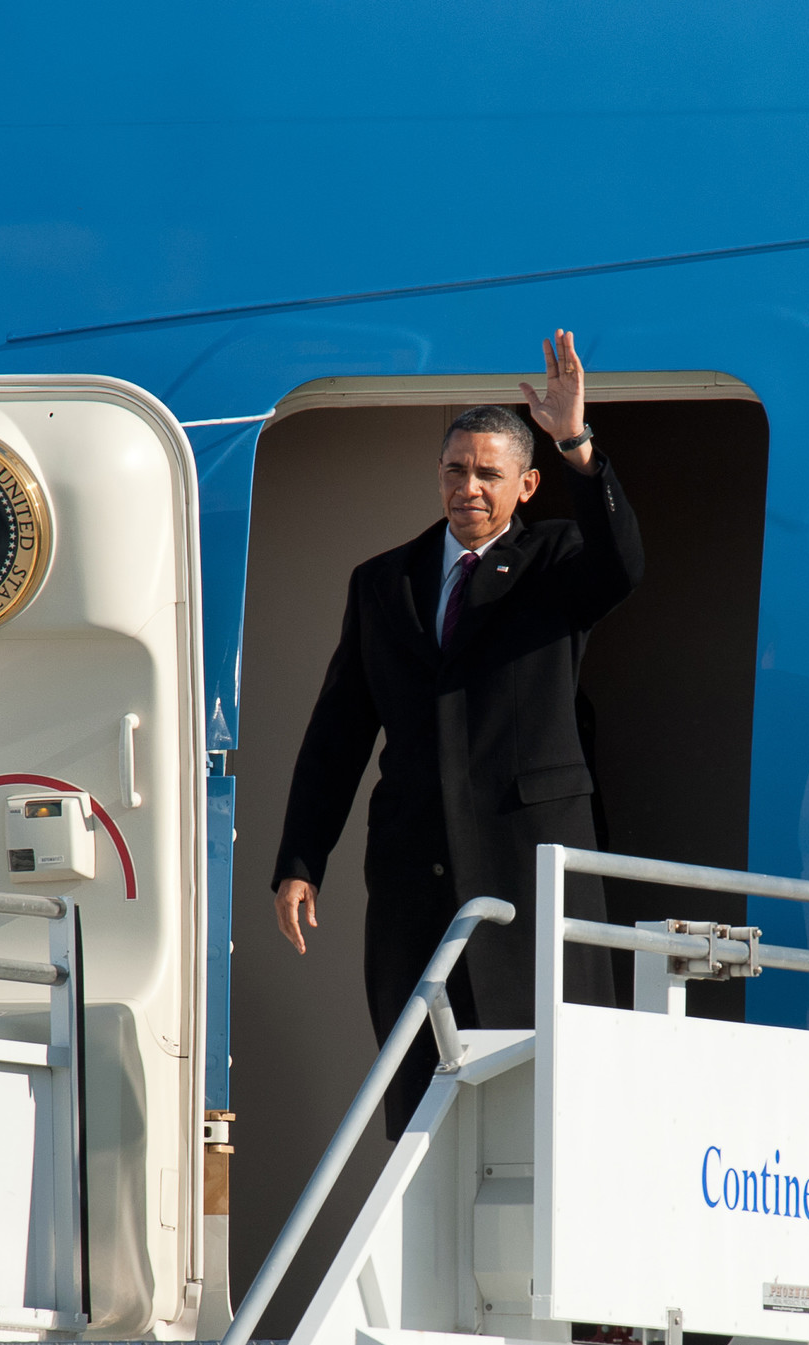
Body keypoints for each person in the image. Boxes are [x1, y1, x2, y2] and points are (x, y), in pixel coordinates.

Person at [272, 330, 646, 1133]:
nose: (469, 487)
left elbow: (624, 564)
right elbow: (338, 729)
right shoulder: (383, 581)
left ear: (527, 484)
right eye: (456, 469)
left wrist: (579, 442)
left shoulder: (558, 560)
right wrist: (302, 859)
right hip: (415, 878)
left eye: (489, 473)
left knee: (547, 1092)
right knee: (418, 1087)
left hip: (528, 872)